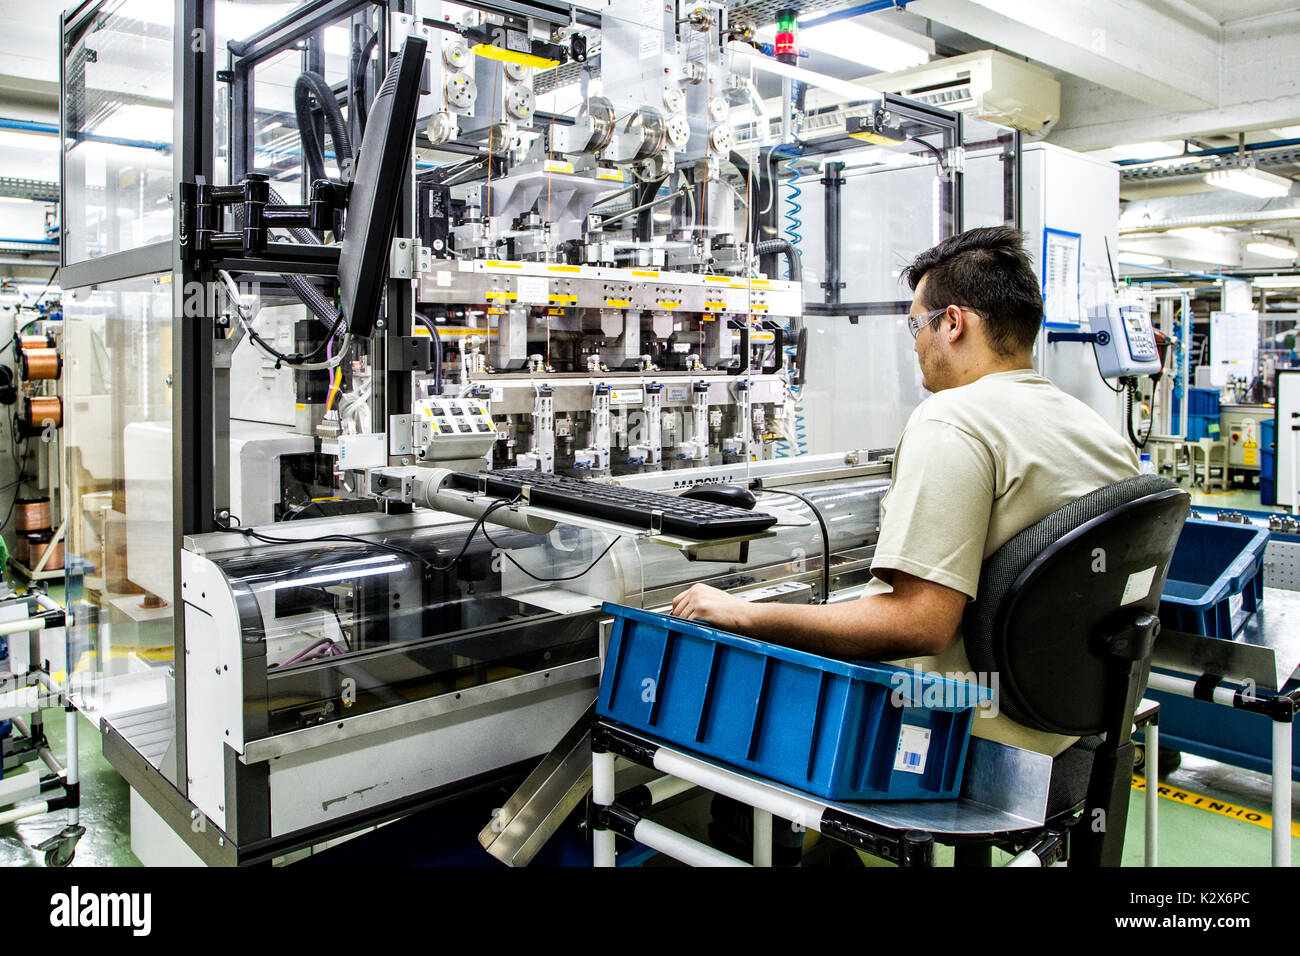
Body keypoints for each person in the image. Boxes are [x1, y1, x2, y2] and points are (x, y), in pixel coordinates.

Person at [670, 225, 1139, 756]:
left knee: (743, 711)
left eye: (916, 325)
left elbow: (919, 625)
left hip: (969, 720)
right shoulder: (1094, 427)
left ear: (953, 324)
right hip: (1066, 712)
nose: (916, 344)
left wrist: (745, 612)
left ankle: (782, 833)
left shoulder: (953, 419)